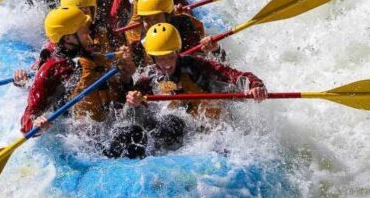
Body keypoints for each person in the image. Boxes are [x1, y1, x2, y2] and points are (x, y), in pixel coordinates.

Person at [112, 23, 266, 158]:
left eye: (170, 56)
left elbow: (233, 74)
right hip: (175, 137)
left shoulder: (195, 65)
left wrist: (255, 86)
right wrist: (133, 104)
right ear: (152, 57)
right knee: (168, 123)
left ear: (177, 52)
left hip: (208, 132)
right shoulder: (147, 79)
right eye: (160, 58)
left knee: (173, 122)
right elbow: (130, 120)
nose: (166, 64)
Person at [19, 6, 135, 136]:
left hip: (107, 126)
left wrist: (126, 78)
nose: (89, 34)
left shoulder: (95, 57)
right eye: (83, 30)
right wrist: (36, 124)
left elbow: (117, 96)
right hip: (77, 137)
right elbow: (29, 115)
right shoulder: (50, 71)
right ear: (68, 38)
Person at [12, 0, 123, 87]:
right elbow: (39, 74)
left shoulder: (105, 32)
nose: (79, 18)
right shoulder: (56, 44)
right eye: (75, 13)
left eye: (84, 12)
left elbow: (121, 56)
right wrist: (23, 79)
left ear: (93, 11)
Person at [128, 0, 221, 60]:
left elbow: (211, 63)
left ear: (168, 17)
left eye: (157, 17)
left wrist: (215, 50)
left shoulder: (185, 29)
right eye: (147, 19)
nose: (153, 23)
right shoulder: (141, 44)